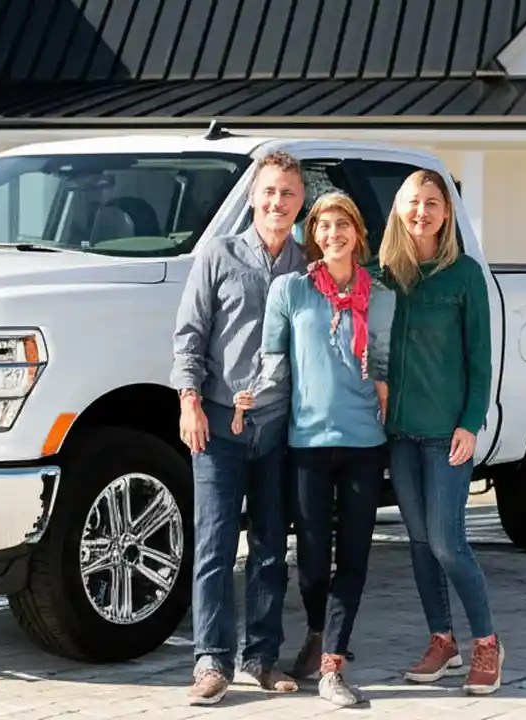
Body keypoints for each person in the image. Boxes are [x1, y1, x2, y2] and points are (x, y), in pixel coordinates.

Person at [234, 191, 393, 708]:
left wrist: (386, 391)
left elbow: (386, 361)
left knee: (353, 556)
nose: (332, 234)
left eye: (342, 224)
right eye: (323, 225)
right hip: (308, 443)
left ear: (357, 233)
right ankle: (318, 632)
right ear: (312, 235)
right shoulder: (291, 290)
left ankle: (332, 666)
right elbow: (274, 358)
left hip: (365, 444)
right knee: (311, 561)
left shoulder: (382, 294)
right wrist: (250, 396)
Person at [171, 151, 309, 706]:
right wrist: (188, 402)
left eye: (289, 194)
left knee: (273, 549)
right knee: (215, 546)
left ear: (301, 203)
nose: (278, 202)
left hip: (278, 429)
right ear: (254, 195)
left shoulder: (308, 266)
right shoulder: (217, 254)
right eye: (270, 191)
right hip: (218, 428)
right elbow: (190, 334)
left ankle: (262, 657)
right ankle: (210, 662)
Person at [375, 168, 504, 695]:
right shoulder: (384, 275)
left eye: (433, 202)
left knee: (449, 543)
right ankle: (442, 640)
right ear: (399, 210)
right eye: (413, 201)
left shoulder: (465, 274)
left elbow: (481, 359)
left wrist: (471, 424)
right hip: (400, 435)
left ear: (446, 213)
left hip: (448, 434)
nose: (422, 211)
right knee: (421, 543)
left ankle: (487, 644)